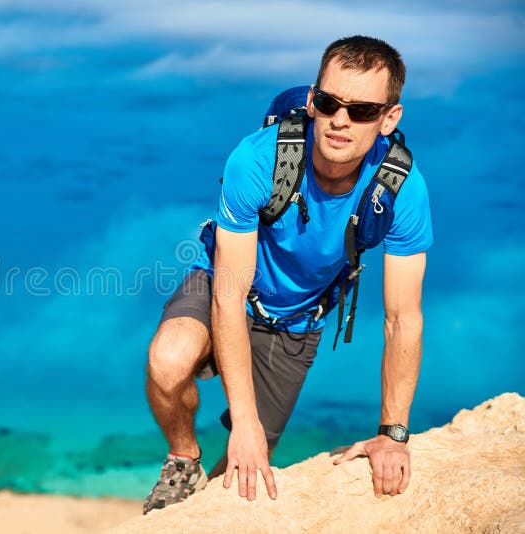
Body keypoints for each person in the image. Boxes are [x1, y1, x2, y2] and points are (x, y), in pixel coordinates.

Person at [142, 35, 433, 515]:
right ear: (313, 99)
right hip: (227, 285)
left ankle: (204, 489)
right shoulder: (257, 159)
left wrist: (392, 434)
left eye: (361, 111)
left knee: (239, 482)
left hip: (297, 321)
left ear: (389, 119)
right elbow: (228, 297)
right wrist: (245, 419)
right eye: (328, 102)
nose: (340, 120)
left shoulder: (401, 190)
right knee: (167, 362)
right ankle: (183, 458)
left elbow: (403, 319)